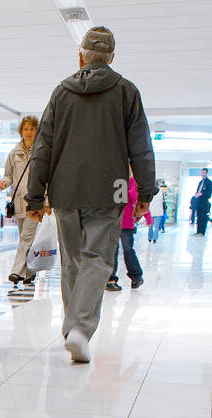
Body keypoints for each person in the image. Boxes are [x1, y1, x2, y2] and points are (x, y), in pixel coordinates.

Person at [25, 25, 157, 363]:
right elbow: (141, 147)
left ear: (81, 56)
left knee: (73, 262)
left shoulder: (61, 93)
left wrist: (35, 196)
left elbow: (43, 147)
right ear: (111, 58)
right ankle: (80, 329)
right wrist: (145, 190)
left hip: (65, 189)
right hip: (109, 190)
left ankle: (73, 331)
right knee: (98, 259)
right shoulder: (126, 92)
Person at [1, 115, 42, 285]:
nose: (29, 132)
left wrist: (46, 202)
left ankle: (16, 271)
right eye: (26, 129)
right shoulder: (14, 152)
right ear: (21, 131)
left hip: (35, 202)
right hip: (19, 202)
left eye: (32, 129)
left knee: (26, 236)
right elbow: (9, 175)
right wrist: (5, 182)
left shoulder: (42, 152)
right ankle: (29, 273)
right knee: (25, 238)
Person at [108, 173, 151, 290]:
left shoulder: (130, 183)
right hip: (115, 222)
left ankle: (135, 276)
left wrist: (148, 217)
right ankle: (112, 278)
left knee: (125, 250)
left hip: (124, 223)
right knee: (117, 250)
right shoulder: (117, 181)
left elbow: (137, 199)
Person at [193, 168, 212, 235]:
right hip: (198, 202)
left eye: (204, 173)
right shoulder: (200, 182)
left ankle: (202, 232)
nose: (203, 174)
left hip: (204, 203)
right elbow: (198, 190)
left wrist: (201, 194)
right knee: (198, 217)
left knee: (203, 217)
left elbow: (209, 194)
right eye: (202, 173)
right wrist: (196, 194)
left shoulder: (209, 182)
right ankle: (198, 231)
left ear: (207, 173)